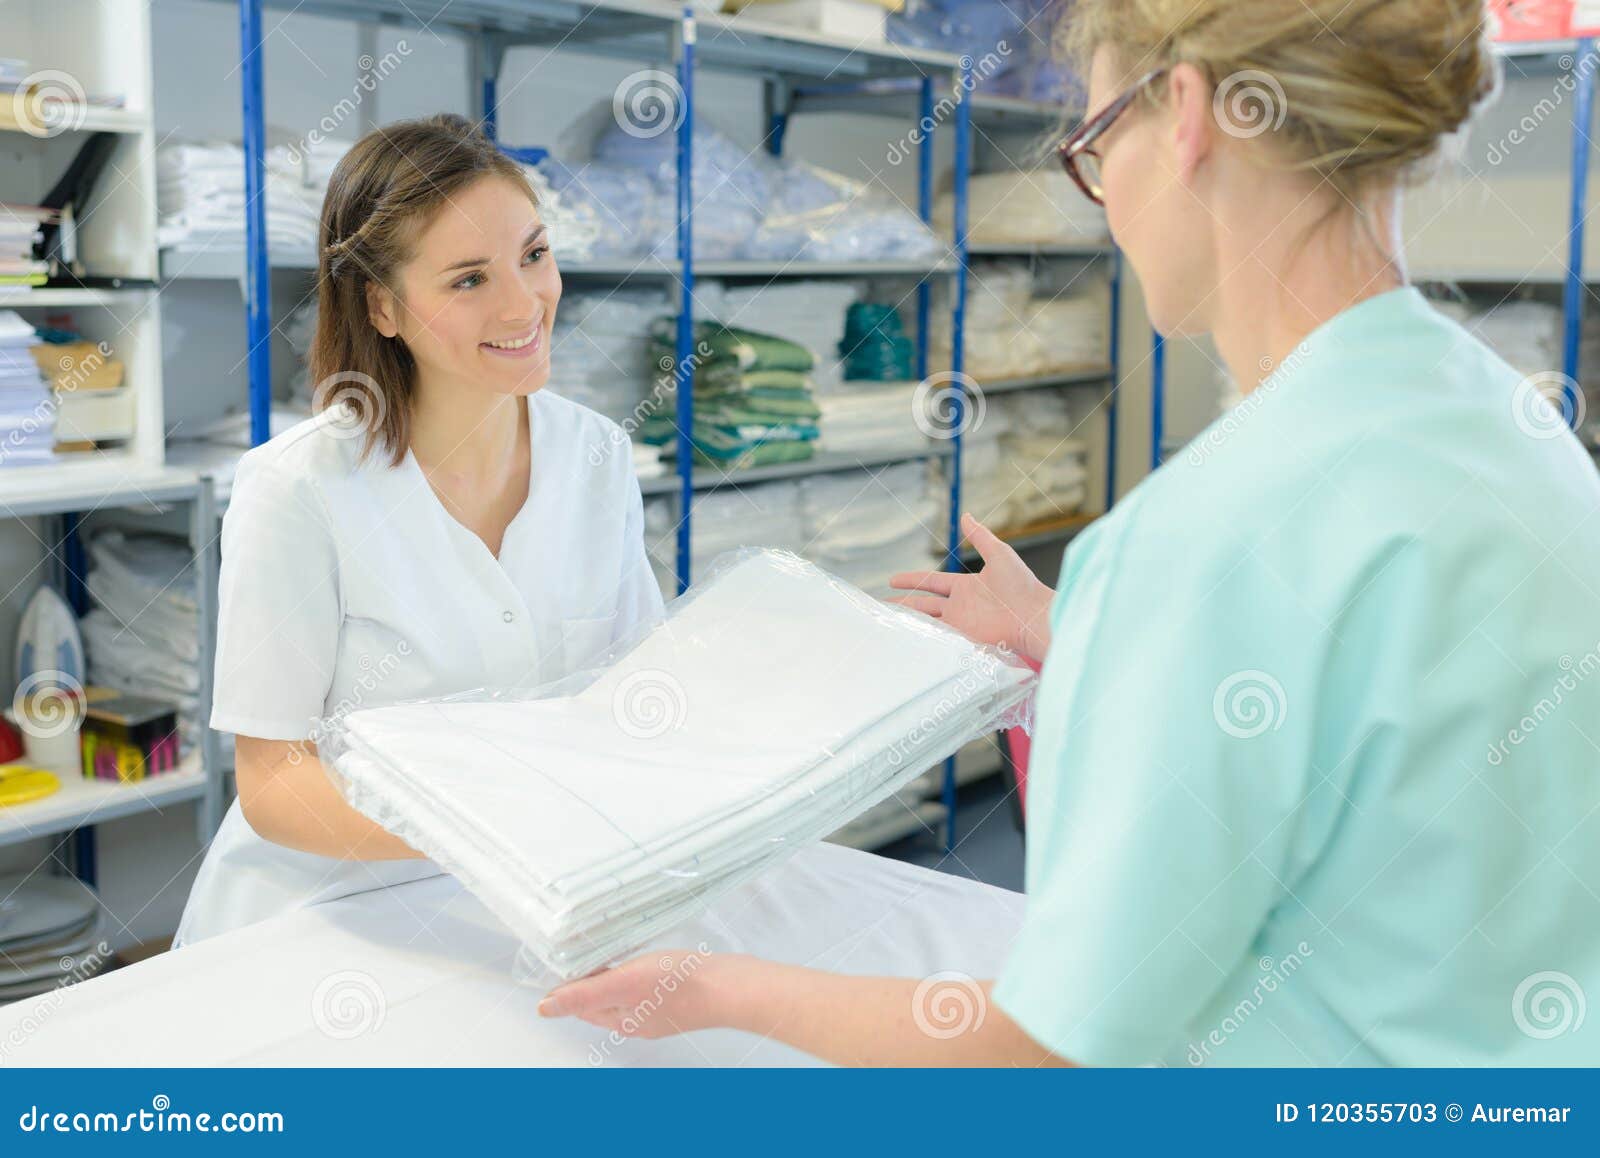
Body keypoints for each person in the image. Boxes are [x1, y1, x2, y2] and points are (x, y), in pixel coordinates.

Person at [540, 0, 1600, 1064]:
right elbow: (1380, 708)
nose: (1105, 200)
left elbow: (1051, 1047)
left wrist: (723, 986)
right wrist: (1083, 631)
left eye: (1094, 145)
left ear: (1188, 115)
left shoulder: (1209, 532)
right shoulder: (1515, 432)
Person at [176, 114, 664, 946]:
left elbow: (628, 696)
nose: (524, 302)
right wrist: (501, 836)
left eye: (534, 255)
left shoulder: (597, 455)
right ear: (383, 306)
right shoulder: (299, 487)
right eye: (468, 279)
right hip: (332, 911)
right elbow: (274, 784)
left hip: (542, 894)